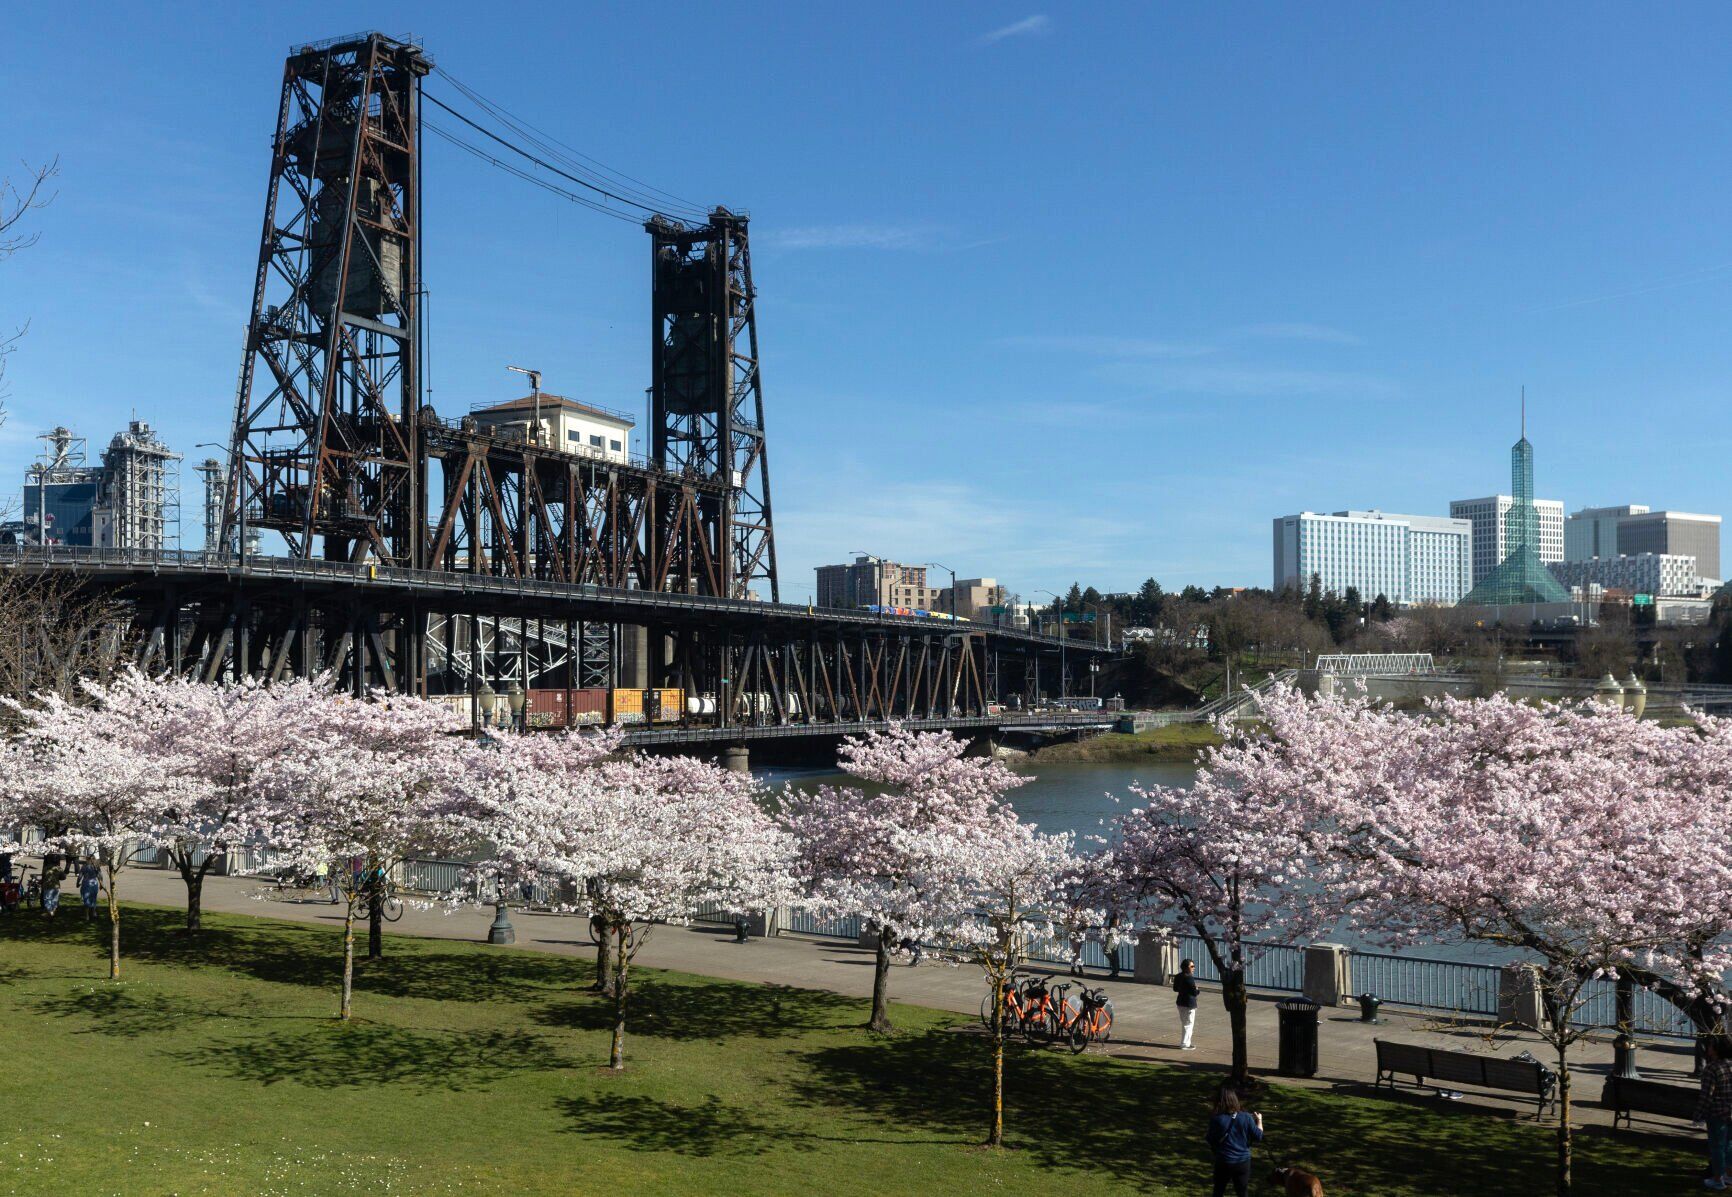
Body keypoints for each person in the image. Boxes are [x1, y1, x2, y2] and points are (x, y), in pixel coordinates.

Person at [1204, 1085, 1264, 1197]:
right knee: (1242, 1193)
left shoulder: (1216, 1119)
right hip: (1242, 1161)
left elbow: (1210, 1139)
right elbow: (1259, 1136)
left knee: (1218, 1192)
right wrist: (1259, 1120)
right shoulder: (1246, 1117)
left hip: (1223, 1161)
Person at [1697, 1036, 1732, 1190]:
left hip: (1717, 1112)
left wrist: (1698, 1115)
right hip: (1730, 1111)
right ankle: (1729, 1175)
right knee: (1729, 1144)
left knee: (1717, 1146)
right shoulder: (1730, 1066)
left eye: (1710, 1046)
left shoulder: (1711, 1069)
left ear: (1716, 1050)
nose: (1708, 1049)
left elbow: (1706, 1096)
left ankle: (1718, 1179)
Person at [1174, 957, 1200, 1050]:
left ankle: (1187, 1043)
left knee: (1185, 1023)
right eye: (1192, 966)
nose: (1194, 968)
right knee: (1188, 1024)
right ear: (1186, 967)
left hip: (1180, 1002)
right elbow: (1194, 992)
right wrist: (1197, 990)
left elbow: (1175, 989)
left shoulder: (1178, 976)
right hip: (1189, 1004)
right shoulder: (1189, 978)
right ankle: (1184, 1044)